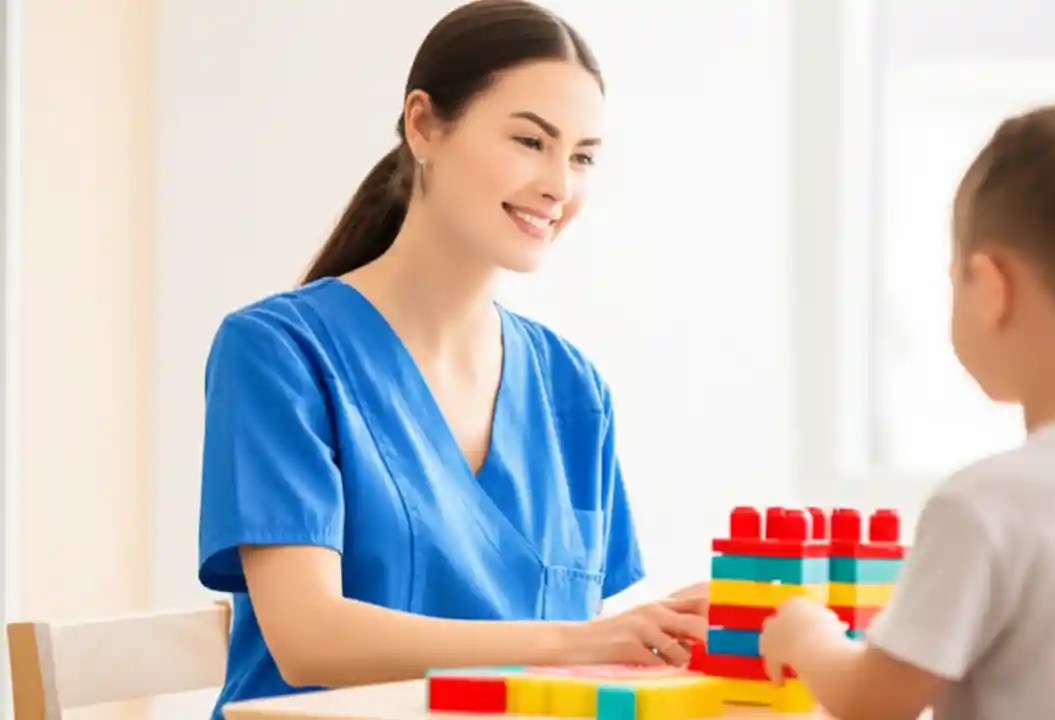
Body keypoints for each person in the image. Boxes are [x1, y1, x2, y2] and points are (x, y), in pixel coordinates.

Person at [196, 1, 707, 716]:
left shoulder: (572, 387)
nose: (560, 186)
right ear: (423, 125)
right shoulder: (280, 352)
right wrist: (580, 641)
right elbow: (307, 637)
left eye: (583, 156)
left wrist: (676, 628)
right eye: (531, 141)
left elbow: (572, 658)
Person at [759, 102, 1055, 719]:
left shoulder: (983, 507)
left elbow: (871, 701)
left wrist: (807, 636)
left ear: (991, 288)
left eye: (952, 277)